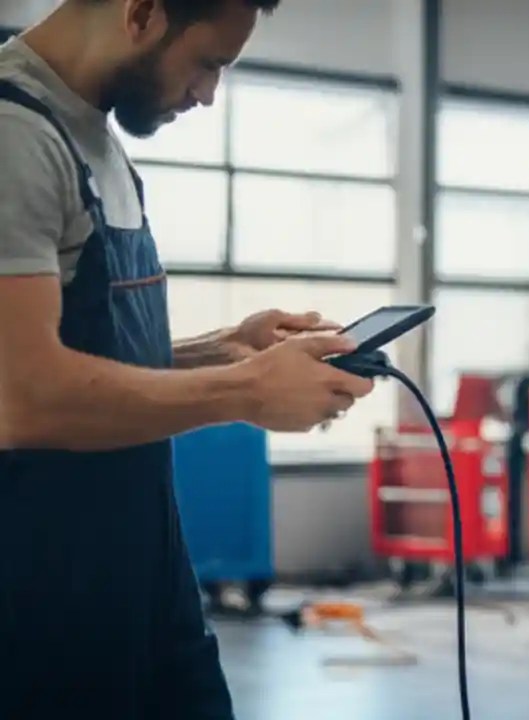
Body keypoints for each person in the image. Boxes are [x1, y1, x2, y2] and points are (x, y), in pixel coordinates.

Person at [0, 1, 376, 717]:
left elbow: (84, 352)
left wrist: (224, 348)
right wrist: (243, 391)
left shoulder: (94, 140)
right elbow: (21, 396)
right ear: (141, 12)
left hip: (144, 582)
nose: (207, 94)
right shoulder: (14, 135)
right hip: (41, 606)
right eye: (208, 63)